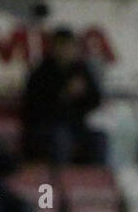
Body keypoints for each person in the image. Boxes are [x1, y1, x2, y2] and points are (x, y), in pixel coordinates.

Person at [22, 28, 108, 165]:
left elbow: (95, 100)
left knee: (99, 138)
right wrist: (65, 95)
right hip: (44, 129)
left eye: (70, 46)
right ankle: (61, 176)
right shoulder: (41, 73)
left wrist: (84, 94)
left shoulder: (80, 70)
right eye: (63, 46)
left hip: (74, 126)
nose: (67, 51)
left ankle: (95, 176)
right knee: (60, 138)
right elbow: (36, 108)